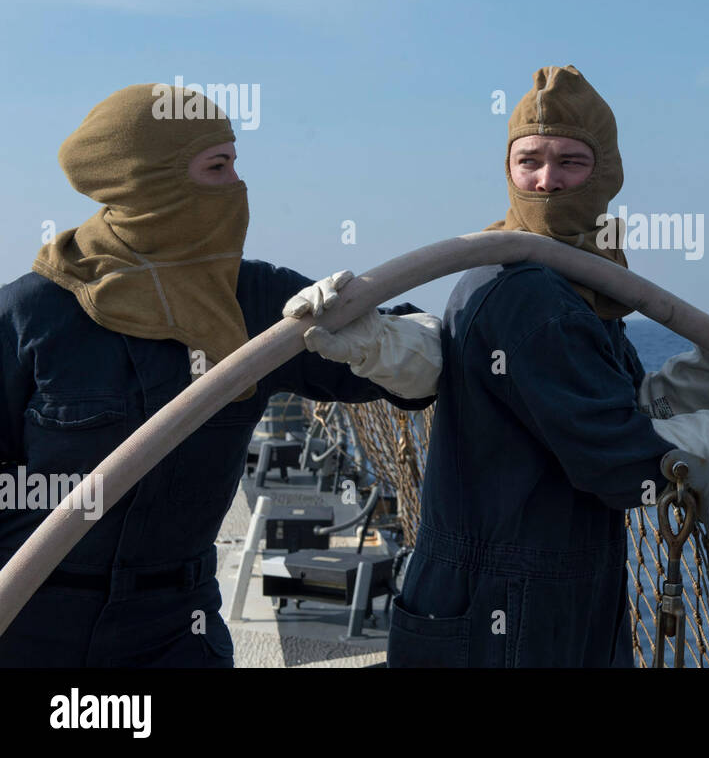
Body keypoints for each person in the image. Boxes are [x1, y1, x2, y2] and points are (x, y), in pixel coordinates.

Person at [358, 64, 709, 668]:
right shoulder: (530, 297)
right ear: (507, 169)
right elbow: (621, 462)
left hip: (537, 598)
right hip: (506, 612)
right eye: (530, 161)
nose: (547, 181)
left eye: (570, 162)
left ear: (606, 173)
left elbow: (618, 408)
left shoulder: (576, 283)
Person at [0, 83, 442, 667]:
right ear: (151, 181)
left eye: (236, 164)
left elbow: (416, 375)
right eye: (218, 166)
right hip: (30, 618)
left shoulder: (259, 300)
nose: (237, 186)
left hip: (174, 626)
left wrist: (383, 342)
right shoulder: (33, 315)